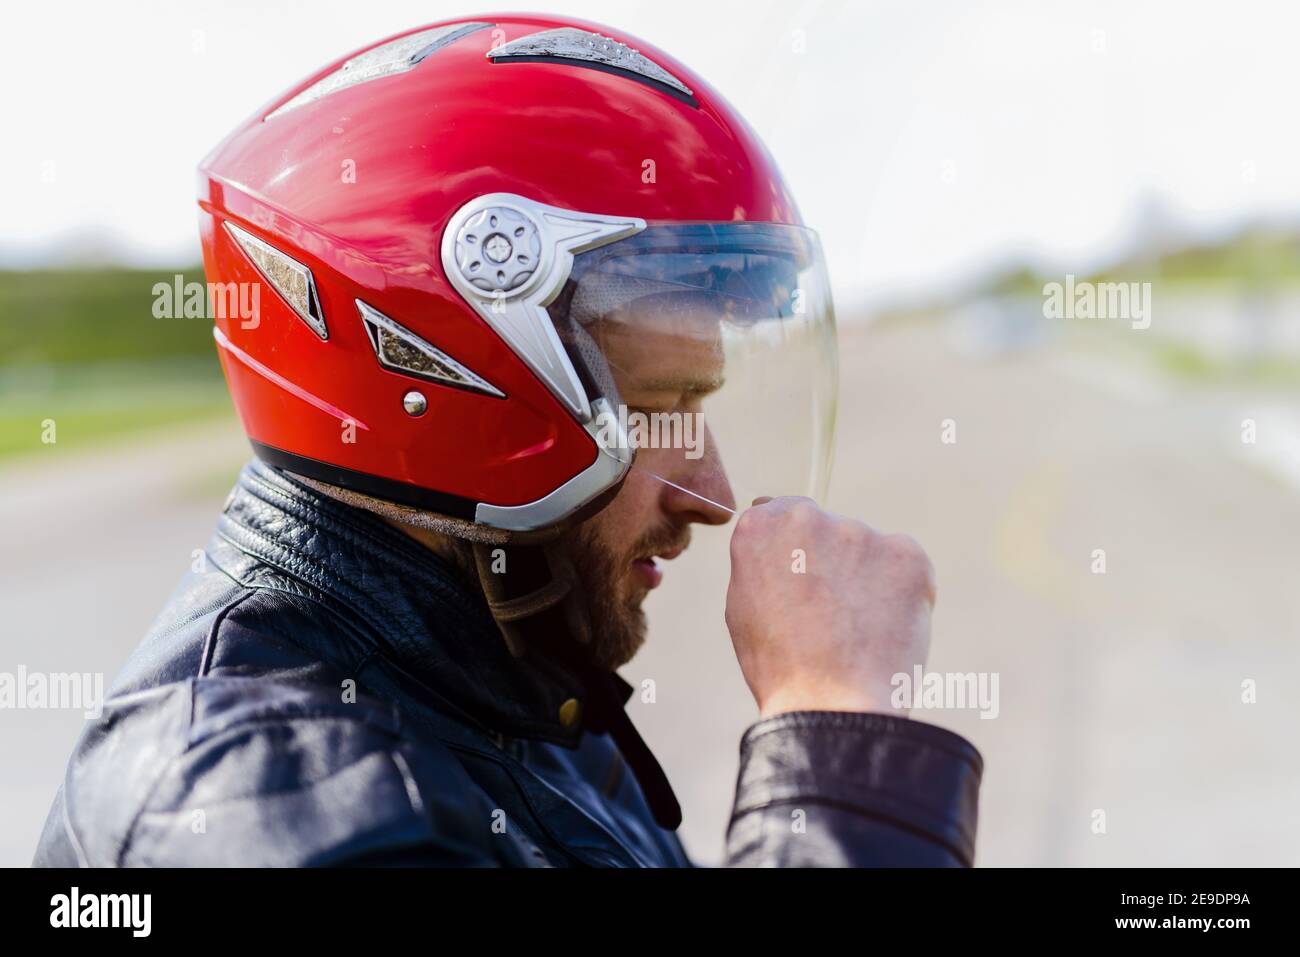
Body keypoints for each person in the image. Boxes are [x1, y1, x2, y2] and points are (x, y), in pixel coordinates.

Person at [34, 14, 982, 867]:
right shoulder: (258, 805)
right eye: (658, 409)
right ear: (451, 396)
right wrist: (837, 741)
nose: (712, 491)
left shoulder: (523, 681)